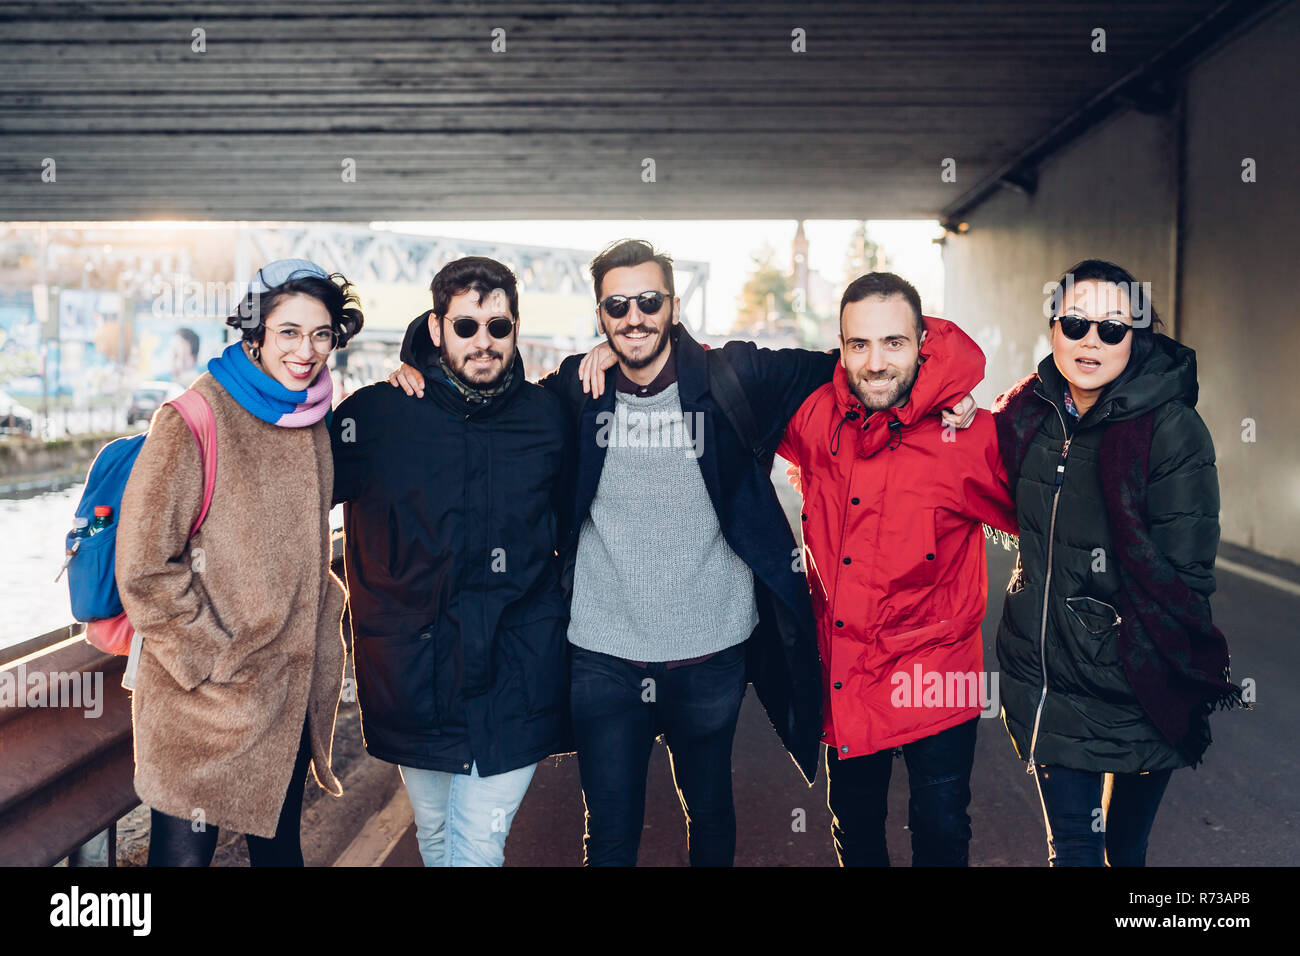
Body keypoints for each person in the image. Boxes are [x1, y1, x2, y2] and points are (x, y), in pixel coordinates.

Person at [393, 239, 978, 866]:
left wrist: (944, 390)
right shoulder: (575, 388)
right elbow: (489, 383)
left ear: (673, 305)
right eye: (617, 306)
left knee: (710, 814)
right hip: (603, 655)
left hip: (710, 651)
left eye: (649, 300)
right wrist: (414, 361)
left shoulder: (735, 376)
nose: (634, 316)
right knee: (610, 832)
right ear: (600, 316)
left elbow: (862, 363)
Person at [991, 258, 1242, 866]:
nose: (1091, 341)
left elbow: (1186, 577)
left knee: (1125, 853)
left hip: (1138, 676)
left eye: (1113, 328)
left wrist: (1108, 626)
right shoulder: (1027, 414)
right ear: (1052, 327)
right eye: (1076, 323)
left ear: (1138, 336)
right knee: (1075, 850)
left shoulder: (1173, 429)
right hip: (1050, 674)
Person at [116, 258, 363, 866]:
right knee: (182, 860)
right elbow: (145, 568)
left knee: (281, 855)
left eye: (321, 333)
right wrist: (214, 662)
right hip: (205, 704)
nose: (306, 351)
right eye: (288, 332)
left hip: (285, 693)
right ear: (253, 333)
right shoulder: (193, 419)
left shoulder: (313, 417)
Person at [333, 256, 571, 866]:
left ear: (517, 329)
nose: (483, 342)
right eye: (466, 326)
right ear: (435, 329)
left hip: (514, 678)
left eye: (499, 326)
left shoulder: (549, 420)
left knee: (474, 849)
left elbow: (582, 528)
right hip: (416, 680)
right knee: (436, 838)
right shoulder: (377, 416)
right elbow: (283, 486)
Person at [777, 272, 1017, 866]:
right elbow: (716, 384)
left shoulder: (969, 434)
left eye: (894, 343)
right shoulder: (813, 419)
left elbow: (1054, 497)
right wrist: (618, 340)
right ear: (840, 346)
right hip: (850, 670)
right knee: (856, 833)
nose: (876, 362)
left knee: (940, 831)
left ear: (922, 342)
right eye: (859, 345)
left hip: (936, 675)